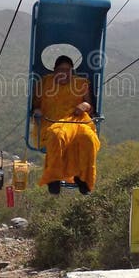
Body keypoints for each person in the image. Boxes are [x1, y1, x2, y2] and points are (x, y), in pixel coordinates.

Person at [32, 54, 100, 195]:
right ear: (55, 71)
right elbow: (36, 105)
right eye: (60, 70)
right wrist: (37, 111)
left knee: (87, 138)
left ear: (71, 71)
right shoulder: (45, 83)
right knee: (57, 136)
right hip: (52, 121)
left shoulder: (80, 84)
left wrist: (84, 105)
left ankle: (83, 179)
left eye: (67, 70)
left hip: (77, 121)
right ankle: (53, 178)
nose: (64, 73)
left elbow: (89, 105)